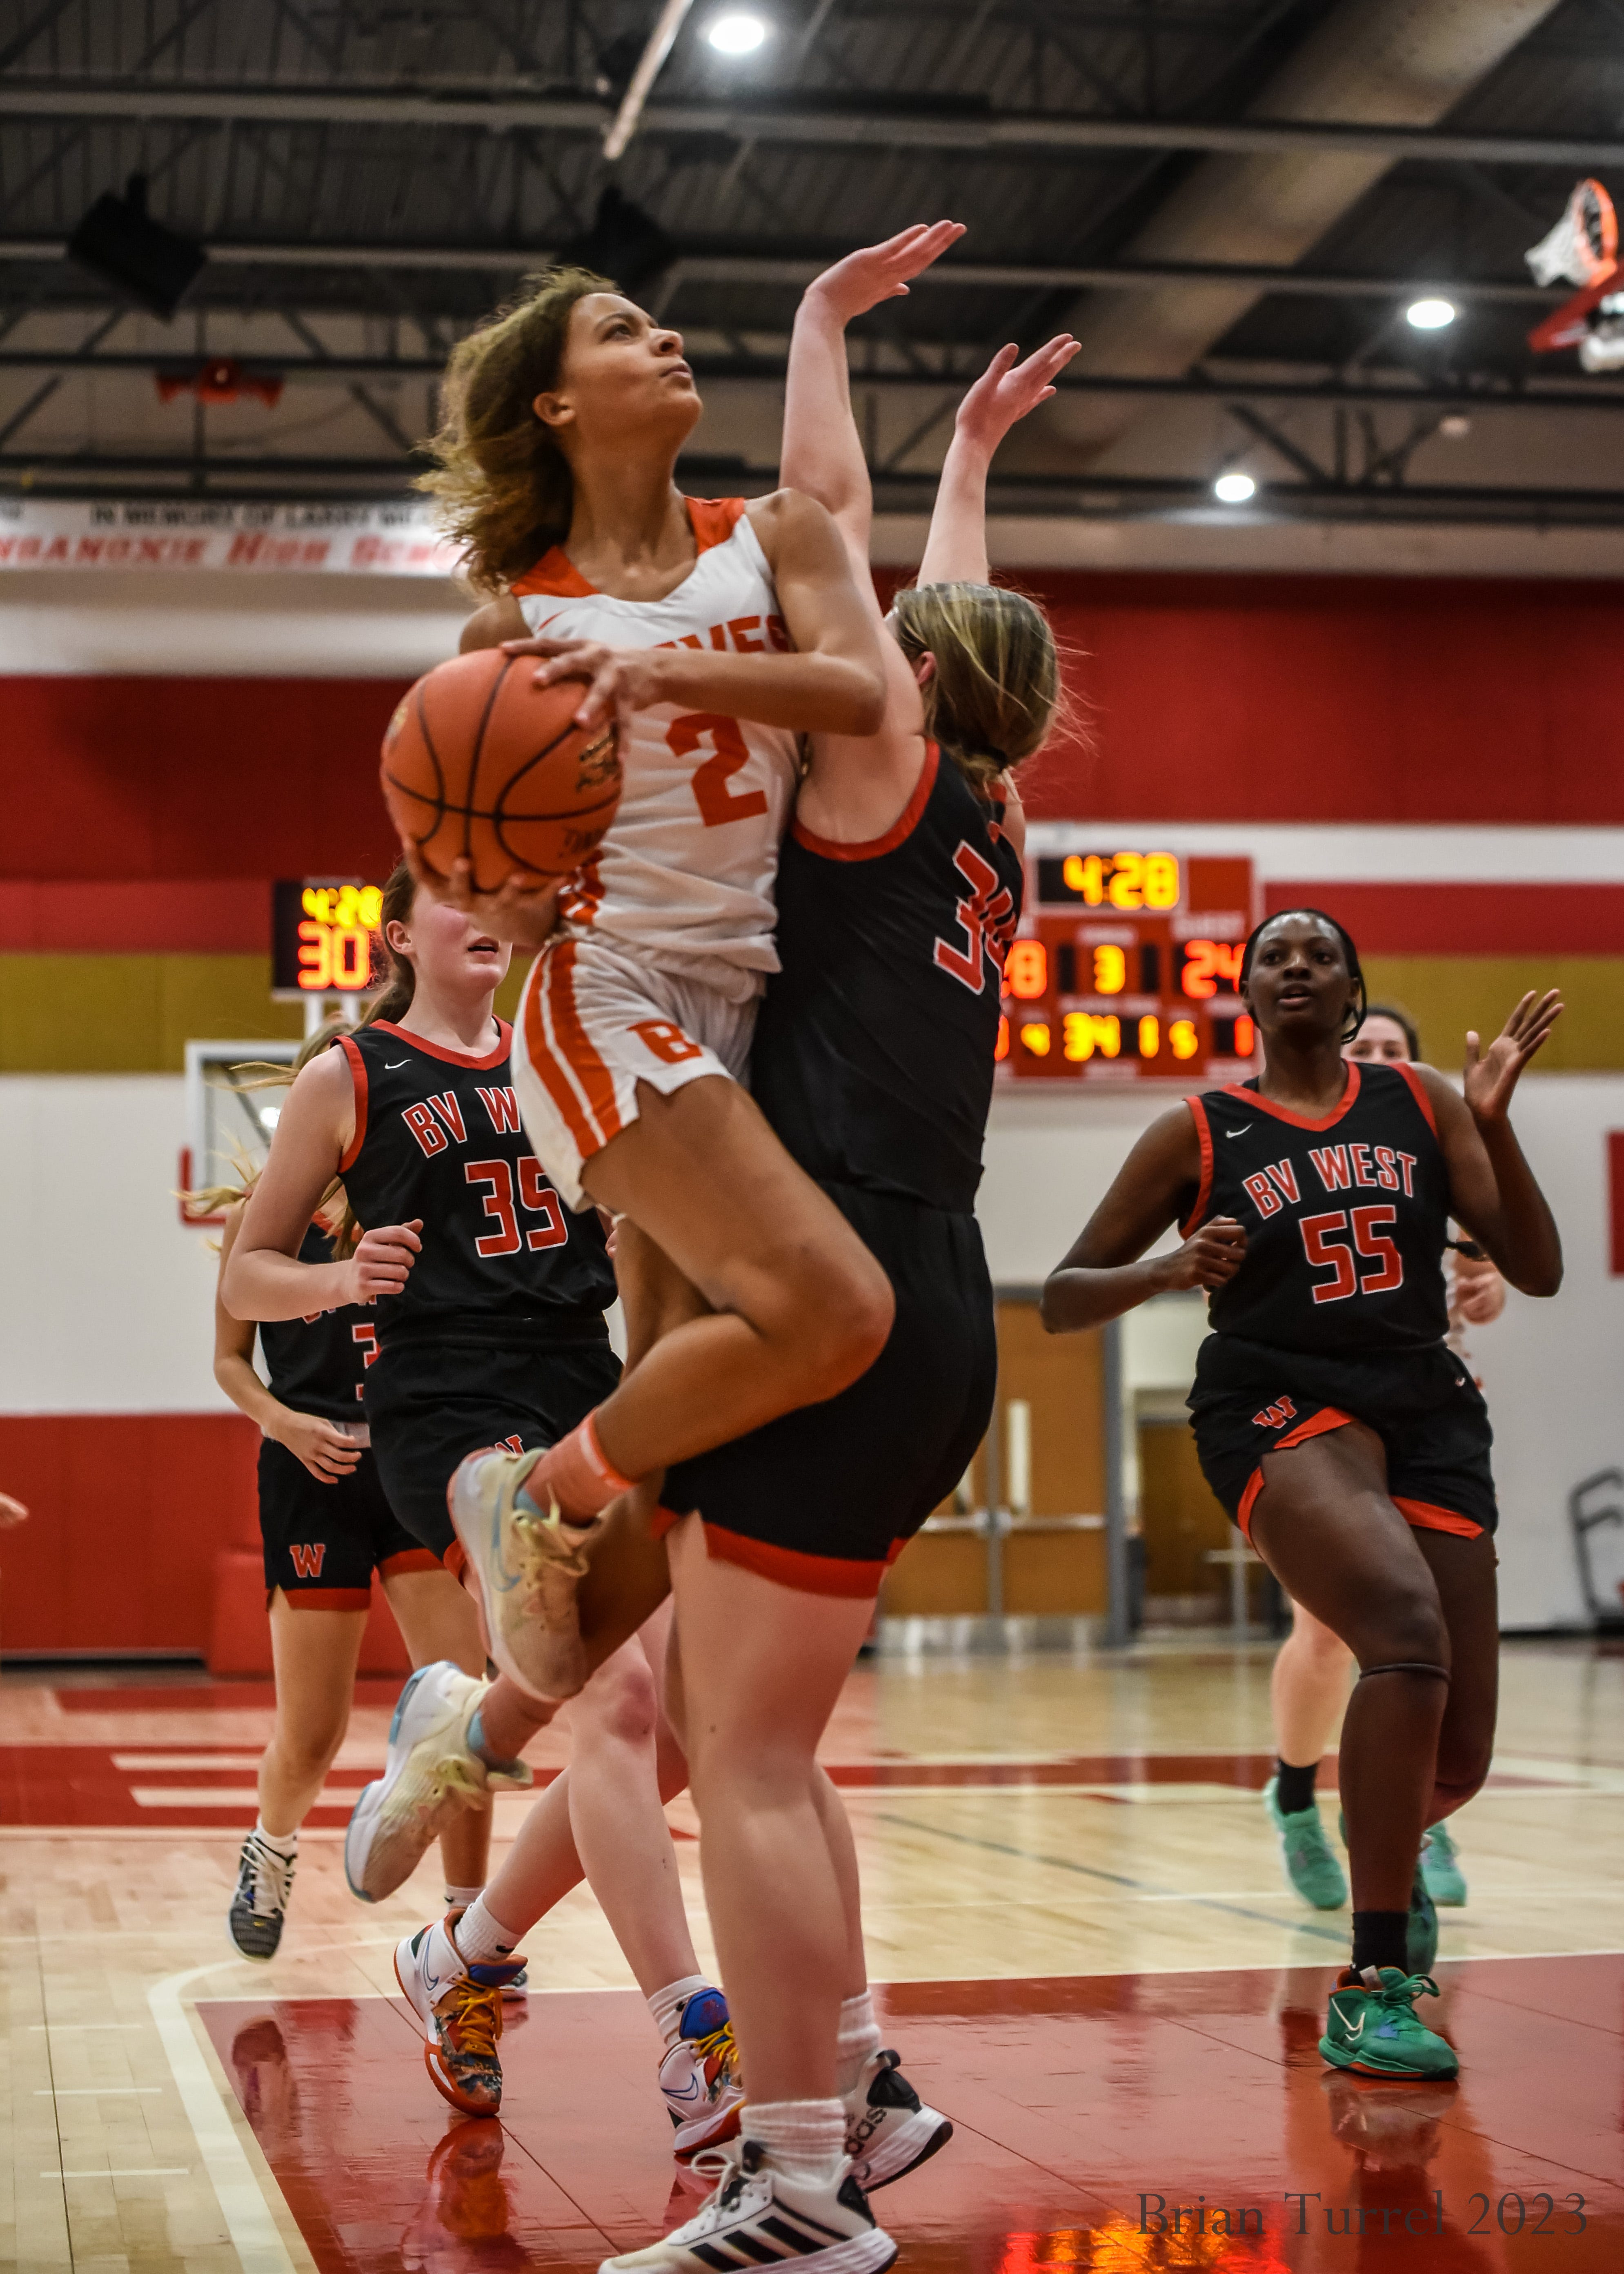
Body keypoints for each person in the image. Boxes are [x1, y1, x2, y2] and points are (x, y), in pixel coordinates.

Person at [588, 228, 1074, 2273]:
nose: (846, 622)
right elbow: (936, 602)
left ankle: (794, 2181)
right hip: (934, 1285)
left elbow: (829, 519)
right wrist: (970, 454)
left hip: (842, 1287)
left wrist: (816, 331)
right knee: (765, 1747)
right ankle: (849, 2091)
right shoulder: (991, 821)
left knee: (750, 1759)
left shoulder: (877, 759)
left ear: (917, 677)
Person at [398, 256, 908, 1713]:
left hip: (751, 1003)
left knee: (682, 1433)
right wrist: (479, 875)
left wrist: (664, 676)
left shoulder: (771, 532)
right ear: (554, 404)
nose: (667, 336)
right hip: (604, 988)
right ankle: (524, 1495)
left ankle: (473, 1731)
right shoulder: (512, 626)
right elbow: (477, 866)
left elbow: (862, 688)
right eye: (621, 332)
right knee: (832, 1314)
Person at [222, 866, 739, 2147]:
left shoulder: (560, 1054)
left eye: (498, 894)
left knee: (678, 1728)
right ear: (402, 934)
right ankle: (692, 2033)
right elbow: (246, 1274)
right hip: (451, 1409)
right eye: (456, 893)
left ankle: (461, 1950)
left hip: (586, 1387)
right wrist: (343, 1276)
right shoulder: (351, 1074)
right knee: (615, 1698)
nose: (485, 913)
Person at [1042, 911, 1562, 2080]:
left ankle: (1378, 1839)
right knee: (1402, 1629)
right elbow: (1064, 1295)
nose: (1294, 967)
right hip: (1274, 1401)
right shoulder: (1198, 1129)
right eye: (1272, 955)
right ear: (1245, 993)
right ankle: (1372, 1984)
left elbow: (1537, 1267)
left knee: (1457, 1760)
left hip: (1424, 1406)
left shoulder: (1423, 1101)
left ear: (1351, 990)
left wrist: (1492, 1126)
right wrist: (1167, 1268)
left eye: (1318, 955)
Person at [189, 1036, 494, 1965]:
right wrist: (283, 1422)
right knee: (313, 1732)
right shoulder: (262, 1217)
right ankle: (271, 1848)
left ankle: (473, 1927)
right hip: (310, 1470)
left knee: (464, 1707)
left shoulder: (419, 1200)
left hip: (414, 1461)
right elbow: (229, 1362)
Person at [1264, 1003, 1502, 1915]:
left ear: (1417, 1066)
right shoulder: (1282, 1143)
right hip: (1315, 1417)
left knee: (1425, 1631)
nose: (1375, 1059)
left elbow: (1485, 1271)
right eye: (1361, 1047)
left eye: (1393, 1050)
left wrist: (1484, 1286)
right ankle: (1294, 1798)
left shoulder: (1434, 1148)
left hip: (1426, 1420)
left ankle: (1421, 1815)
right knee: (1330, 1632)